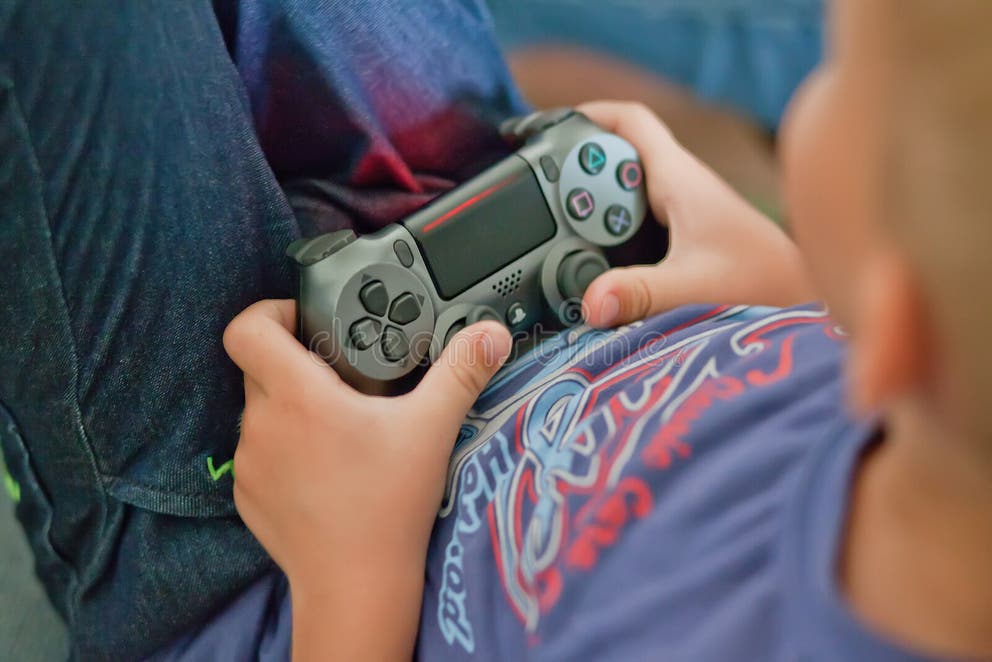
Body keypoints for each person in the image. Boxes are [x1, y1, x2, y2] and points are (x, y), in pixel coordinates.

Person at [225, 1, 992, 661]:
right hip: (444, 280)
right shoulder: (928, 403)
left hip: (271, 550)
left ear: (899, 324)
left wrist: (351, 591)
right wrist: (798, 298)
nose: (817, 92)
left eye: (839, 74)